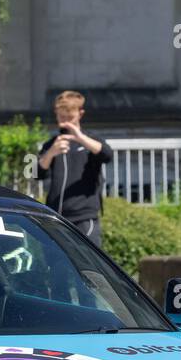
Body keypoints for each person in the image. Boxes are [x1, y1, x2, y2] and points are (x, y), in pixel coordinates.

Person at [37, 90, 111, 247]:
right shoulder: (50, 144)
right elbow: (33, 173)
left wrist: (80, 138)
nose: (65, 123)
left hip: (84, 217)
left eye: (69, 118)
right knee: (56, 262)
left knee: (87, 263)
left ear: (80, 114)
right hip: (56, 216)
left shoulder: (92, 140)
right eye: (61, 117)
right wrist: (50, 153)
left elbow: (107, 154)